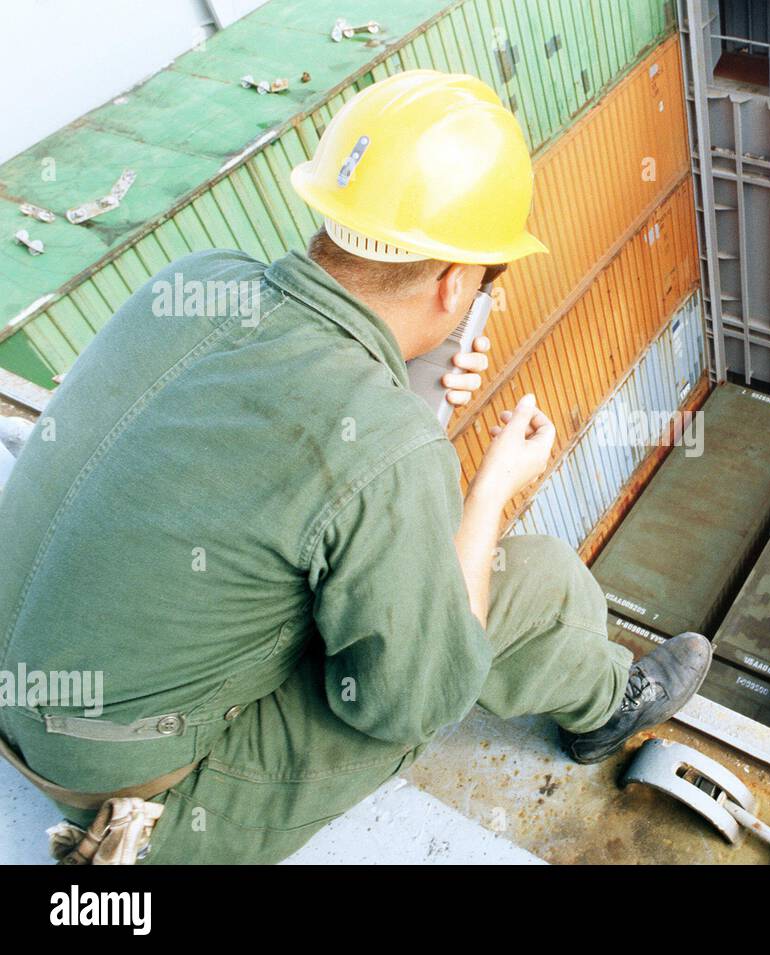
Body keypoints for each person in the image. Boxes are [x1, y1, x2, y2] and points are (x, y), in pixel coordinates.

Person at [0, 71, 711, 865]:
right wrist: (488, 492)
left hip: (27, 695)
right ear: (455, 285)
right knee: (531, 581)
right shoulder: (385, 444)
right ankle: (611, 707)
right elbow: (412, 699)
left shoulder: (196, 278)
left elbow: (282, 444)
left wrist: (406, 386)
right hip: (135, 792)